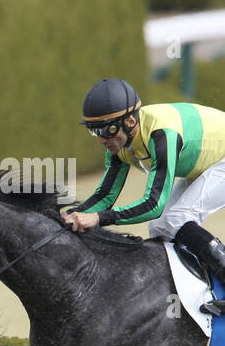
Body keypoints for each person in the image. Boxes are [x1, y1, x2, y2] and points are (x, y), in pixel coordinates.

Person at [64, 78, 225, 315]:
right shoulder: (120, 143)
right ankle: (187, 295)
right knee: (160, 229)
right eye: (93, 130)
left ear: (130, 121)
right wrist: (71, 216)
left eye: (105, 129)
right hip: (207, 162)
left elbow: (153, 204)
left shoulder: (161, 135)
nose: (100, 139)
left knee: (175, 218)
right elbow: (106, 194)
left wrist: (99, 219)